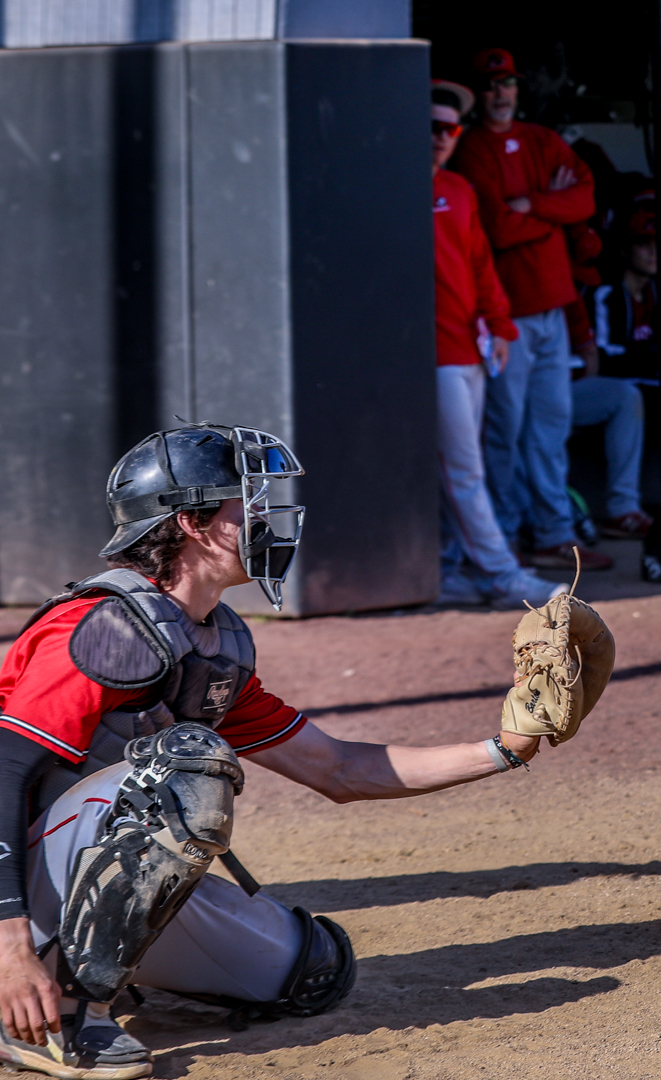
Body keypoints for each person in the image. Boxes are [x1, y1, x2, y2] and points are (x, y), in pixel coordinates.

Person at [0, 425, 589, 1078]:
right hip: (12, 899)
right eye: (245, 503)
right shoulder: (100, 630)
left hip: (70, 880)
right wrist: (9, 947)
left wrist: (505, 749)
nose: (264, 517)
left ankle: (76, 966)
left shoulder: (208, 647)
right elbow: (2, 776)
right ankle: (66, 1016)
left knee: (312, 971)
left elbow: (338, 768)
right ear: (192, 522)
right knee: (185, 768)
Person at [449, 48, 612, 572]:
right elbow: (496, 228)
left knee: (549, 425)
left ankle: (553, 532)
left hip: (553, 309)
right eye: (492, 85)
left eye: (509, 83)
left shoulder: (543, 140)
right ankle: (507, 530)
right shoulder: (472, 148)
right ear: (480, 97)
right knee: (504, 429)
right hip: (509, 314)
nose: (502, 93)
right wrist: (552, 211)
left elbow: (585, 200)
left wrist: (534, 205)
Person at [430, 79, 569, 608]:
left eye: (449, 128)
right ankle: (503, 573)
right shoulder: (391, 187)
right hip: (433, 356)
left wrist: (502, 325)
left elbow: (481, 267)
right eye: (431, 127)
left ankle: (447, 570)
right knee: (462, 468)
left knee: (460, 467)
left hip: (472, 349)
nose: (441, 137)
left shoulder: (460, 191)